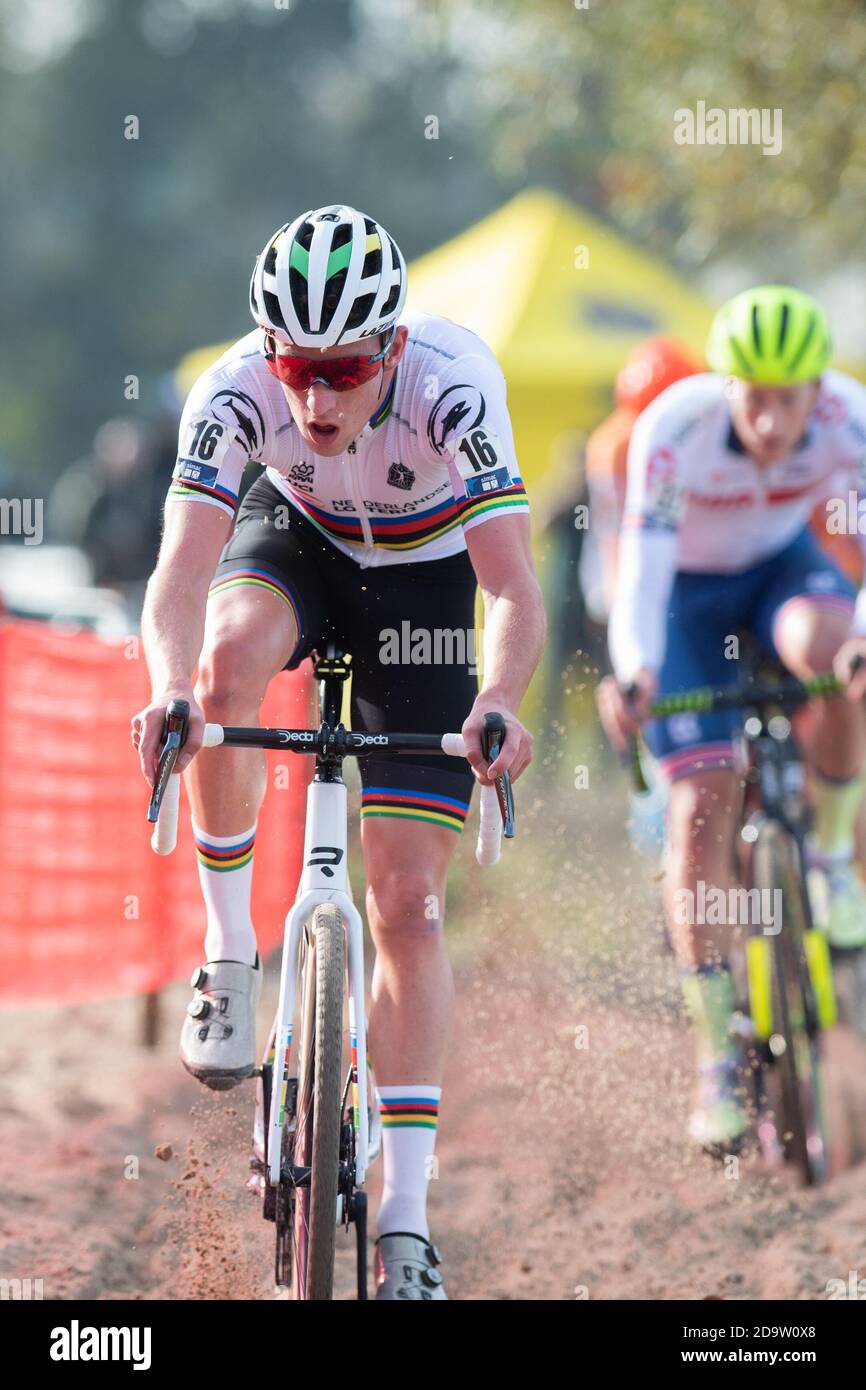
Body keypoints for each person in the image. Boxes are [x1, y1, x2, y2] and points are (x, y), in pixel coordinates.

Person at [132, 205, 544, 1300]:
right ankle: (228, 955)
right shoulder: (231, 392)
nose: (316, 398)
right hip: (298, 544)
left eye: (346, 369)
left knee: (406, 907)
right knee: (224, 665)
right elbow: (178, 574)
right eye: (297, 367)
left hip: (424, 588)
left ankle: (405, 1217)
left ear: (392, 349)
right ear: (268, 350)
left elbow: (508, 583)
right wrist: (170, 689)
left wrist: (499, 698)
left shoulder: (455, 385)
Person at [596, 285, 866, 1154]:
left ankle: (827, 852)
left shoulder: (848, 419)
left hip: (781, 574)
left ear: (815, 392)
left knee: (843, 664)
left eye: (787, 398)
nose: (768, 416)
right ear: (727, 384)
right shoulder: (674, 428)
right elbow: (641, 570)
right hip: (686, 604)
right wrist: (634, 673)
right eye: (750, 393)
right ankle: (718, 1055)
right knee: (700, 803)